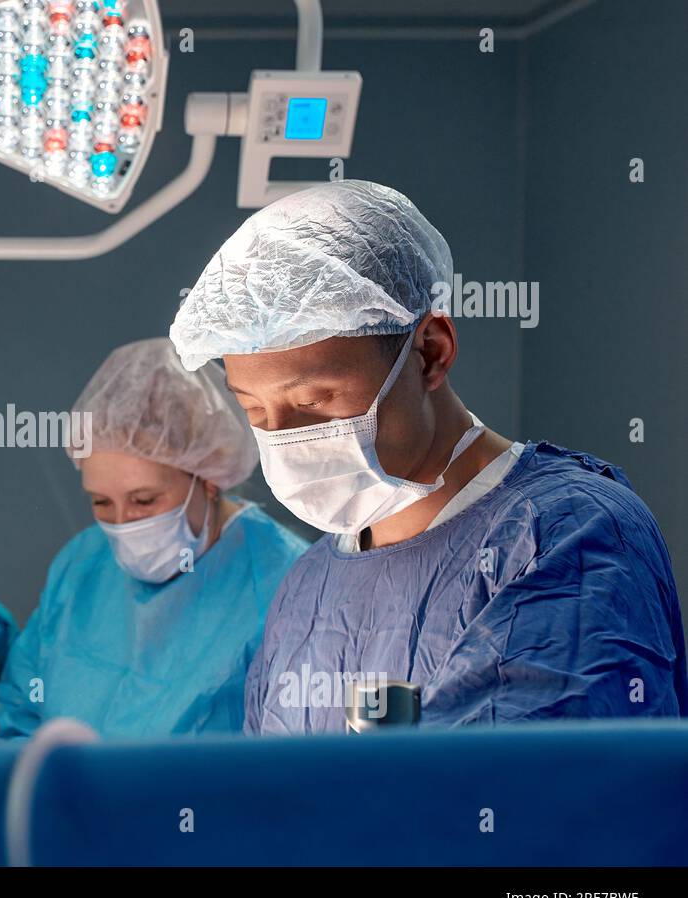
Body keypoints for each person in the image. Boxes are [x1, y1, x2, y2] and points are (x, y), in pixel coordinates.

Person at [170, 179, 688, 733]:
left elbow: (529, 777)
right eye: (252, 408)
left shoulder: (565, 535)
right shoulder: (309, 586)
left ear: (430, 353)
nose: (282, 436)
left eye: (314, 401)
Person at [0, 338, 307, 738]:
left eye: (144, 500)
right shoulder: (83, 564)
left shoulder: (285, 584)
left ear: (208, 478)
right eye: (102, 502)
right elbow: (21, 710)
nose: (123, 523)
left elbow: (289, 752)